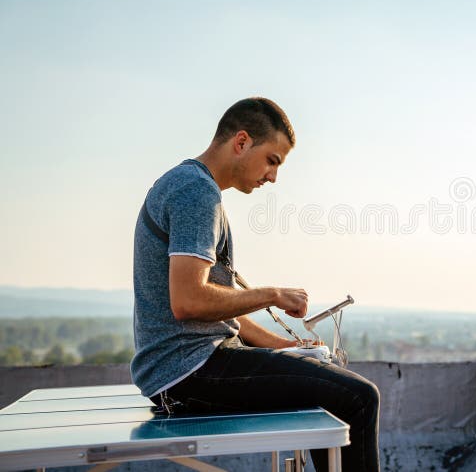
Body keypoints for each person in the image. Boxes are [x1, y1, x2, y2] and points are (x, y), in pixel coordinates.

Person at [130, 97, 380, 471]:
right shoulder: (196, 192)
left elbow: (216, 309)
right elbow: (189, 302)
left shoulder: (190, 185)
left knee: (328, 386)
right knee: (358, 397)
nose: (273, 176)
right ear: (242, 142)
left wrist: (287, 348)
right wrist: (273, 294)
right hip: (189, 373)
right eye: (272, 160)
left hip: (190, 366)